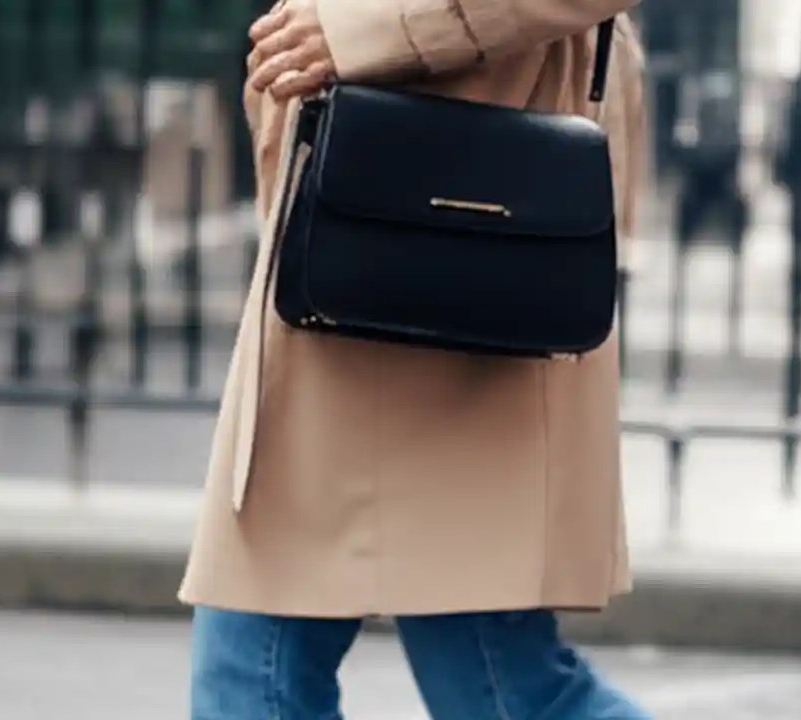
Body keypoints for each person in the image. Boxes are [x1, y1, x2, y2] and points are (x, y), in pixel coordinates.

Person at [180, 0, 650, 717]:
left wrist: (375, 26)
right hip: (389, 218)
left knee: (257, 669)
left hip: (439, 206)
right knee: (498, 681)